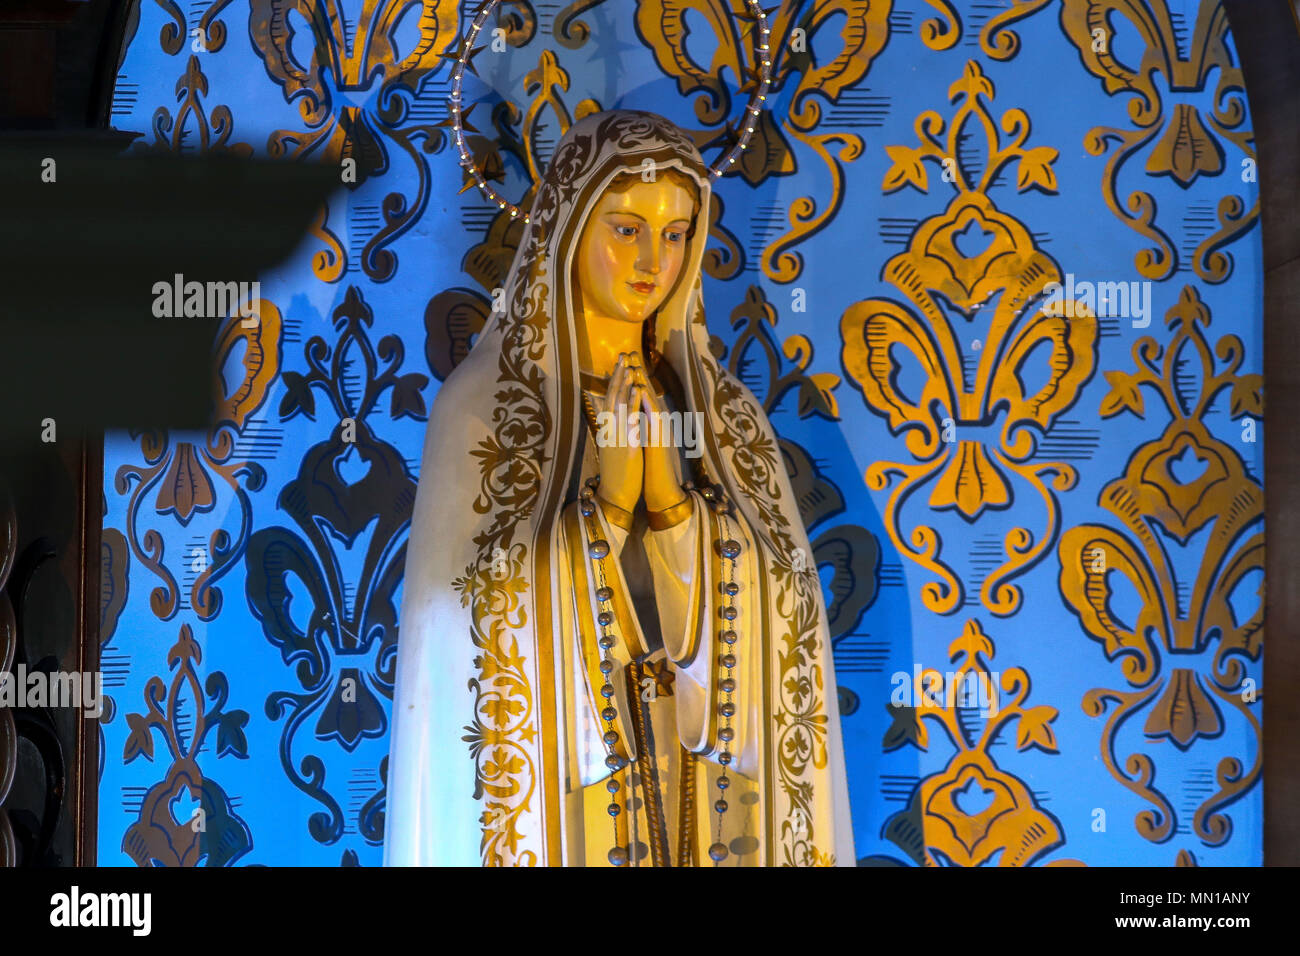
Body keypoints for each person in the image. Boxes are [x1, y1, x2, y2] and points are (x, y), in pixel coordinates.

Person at [386, 109, 854, 866]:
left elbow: (789, 609)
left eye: (676, 234)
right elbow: (461, 619)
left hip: (709, 810)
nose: (653, 261)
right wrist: (603, 512)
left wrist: (675, 513)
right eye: (626, 228)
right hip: (564, 813)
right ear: (569, 230)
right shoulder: (485, 407)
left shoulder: (724, 413)